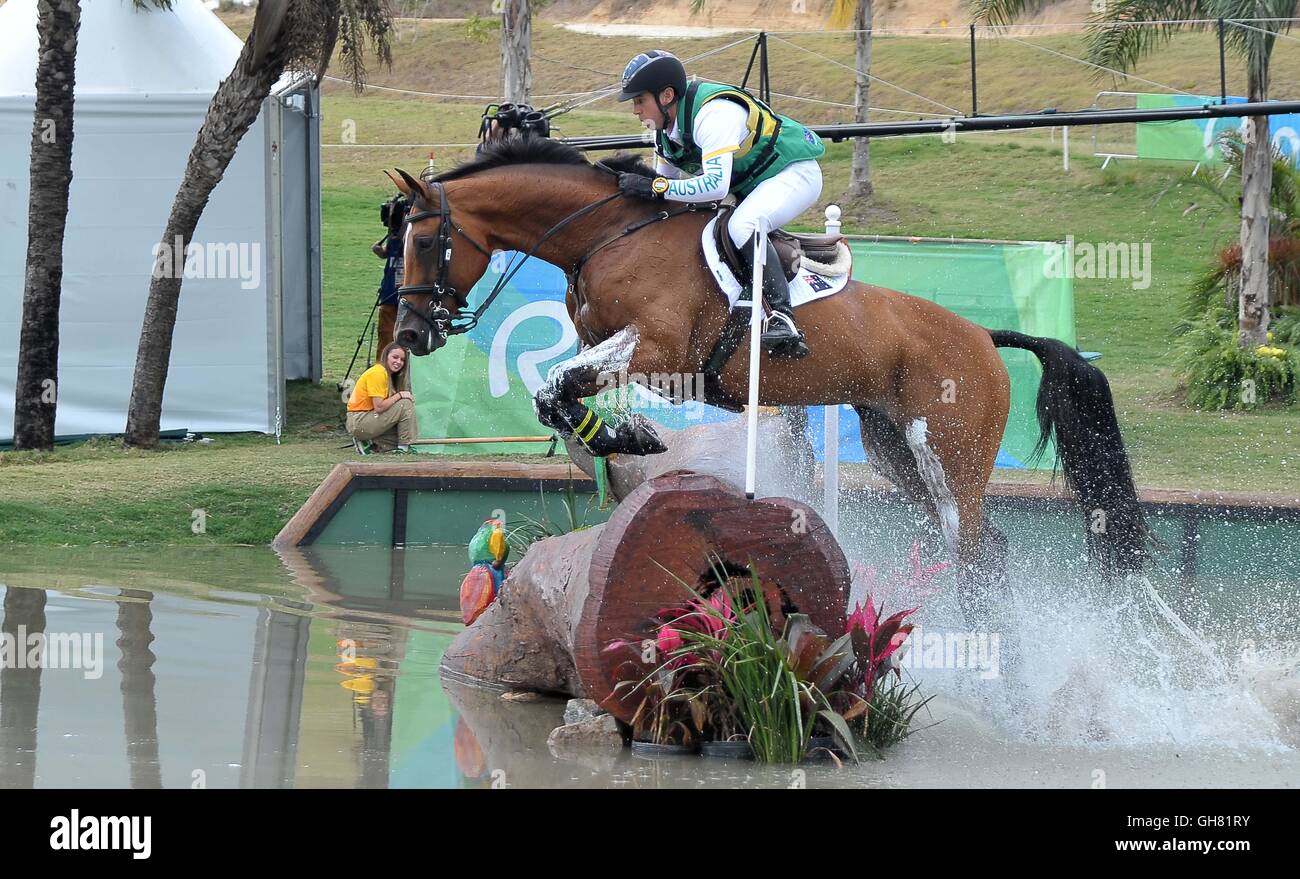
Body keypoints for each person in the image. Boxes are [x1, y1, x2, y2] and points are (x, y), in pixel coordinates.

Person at [614, 50, 826, 359]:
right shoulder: (664, 132)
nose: (635, 110)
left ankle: (782, 316)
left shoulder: (712, 114)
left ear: (667, 96)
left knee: (744, 225)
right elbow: (664, 197)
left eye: (639, 101)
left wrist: (655, 187)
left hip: (793, 174)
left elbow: (714, 186)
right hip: (751, 186)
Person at [346, 342, 418, 454]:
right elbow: (379, 407)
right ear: (386, 356)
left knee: (397, 438)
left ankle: (370, 444)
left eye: (402, 360)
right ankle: (403, 449)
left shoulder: (387, 375)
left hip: (364, 420)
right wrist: (400, 395)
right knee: (405, 403)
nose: (398, 362)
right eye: (395, 357)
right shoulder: (378, 373)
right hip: (359, 420)